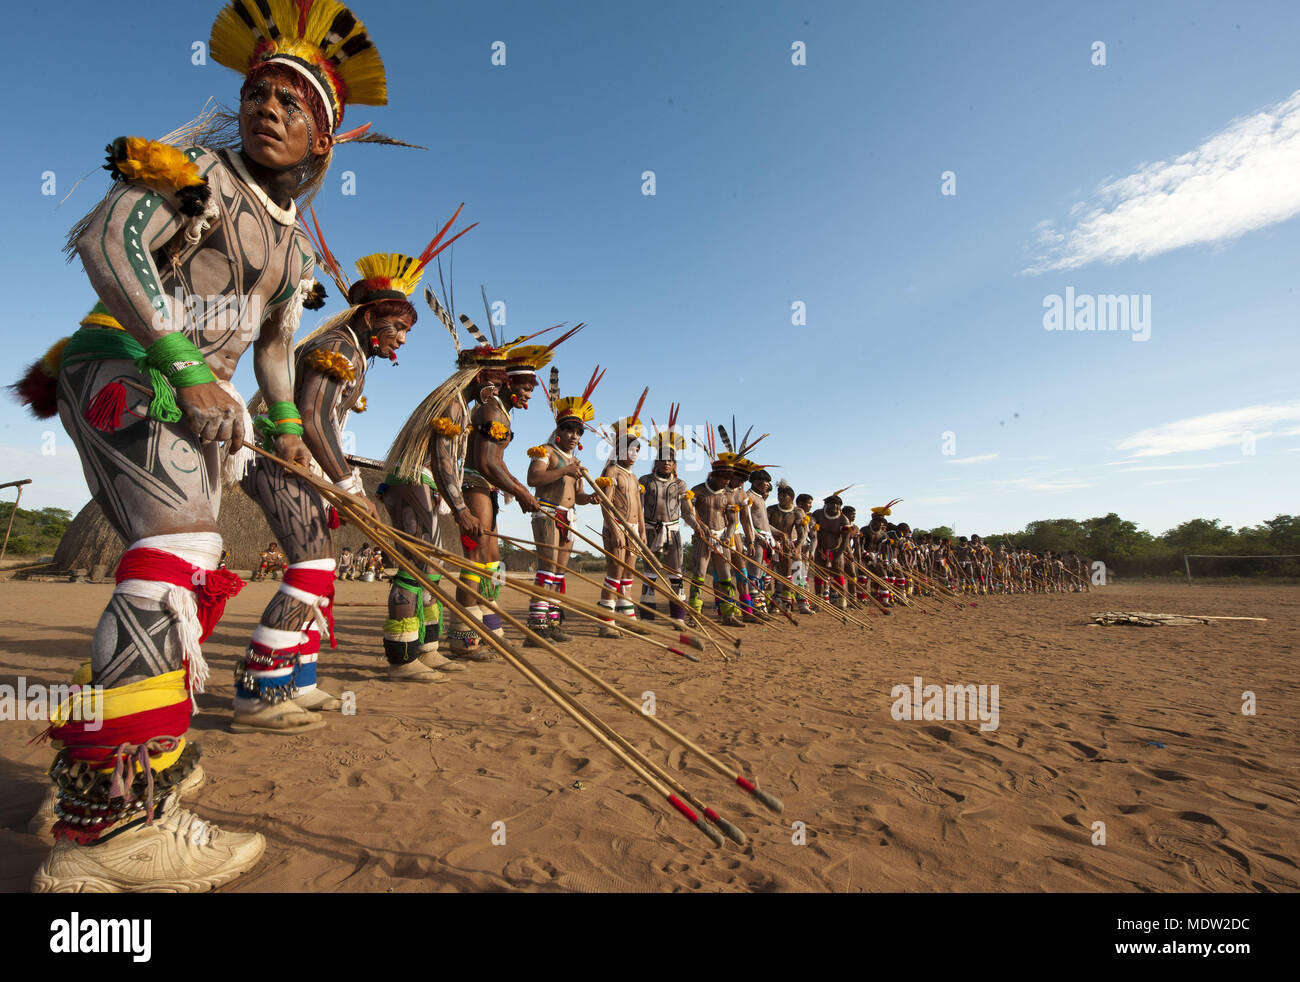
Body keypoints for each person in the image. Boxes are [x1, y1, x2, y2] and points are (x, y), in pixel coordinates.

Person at [30, 0, 395, 892]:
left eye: (292, 102)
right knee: (179, 546)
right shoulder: (197, 172)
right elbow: (108, 241)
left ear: (324, 140)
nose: (267, 108)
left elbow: (274, 353)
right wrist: (187, 366)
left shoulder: (293, 244)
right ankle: (112, 835)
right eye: (258, 92)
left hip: (194, 386)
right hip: (123, 362)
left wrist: (288, 439)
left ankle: (101, 780)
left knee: (177, 561)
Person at [525, 367, 602, 641]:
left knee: (559, 571)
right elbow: (533, 478)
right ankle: (536, 626)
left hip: (569, 516)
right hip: (547, 512)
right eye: (569, 429)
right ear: (558, 429)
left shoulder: (575, 463)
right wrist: (563, 472)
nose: (574, 435)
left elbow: (577, 494)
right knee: (546, 568)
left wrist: (589, 498)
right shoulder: (545, 452)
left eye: (578, 431)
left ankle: (553, 623)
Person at [637, 404, 698, 627]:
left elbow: (687, 512)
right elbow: (638, 508)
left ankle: (678, 618)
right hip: (650, 529)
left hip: (673, 532)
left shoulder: (681, 484)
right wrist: (637, 530)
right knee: (649, 574)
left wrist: (697, 526)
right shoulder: (644, 481)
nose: (666, 463)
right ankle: (647, 618)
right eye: (662, 459)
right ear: (656, 461)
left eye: (670, 460)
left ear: (675, 463)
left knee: (676, 574)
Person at [595, 389, 649, 636]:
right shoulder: (612, 472)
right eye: (630, 449)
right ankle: (606, 620)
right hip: (617, 526)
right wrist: (615, 528)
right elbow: (606, 503)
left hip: (635, 530)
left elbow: (638, 506)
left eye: (637, 450)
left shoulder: (633, 476)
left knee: (628, 574)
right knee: (615, 572)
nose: (634, 454)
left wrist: (642, 531)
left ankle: (627, 615)